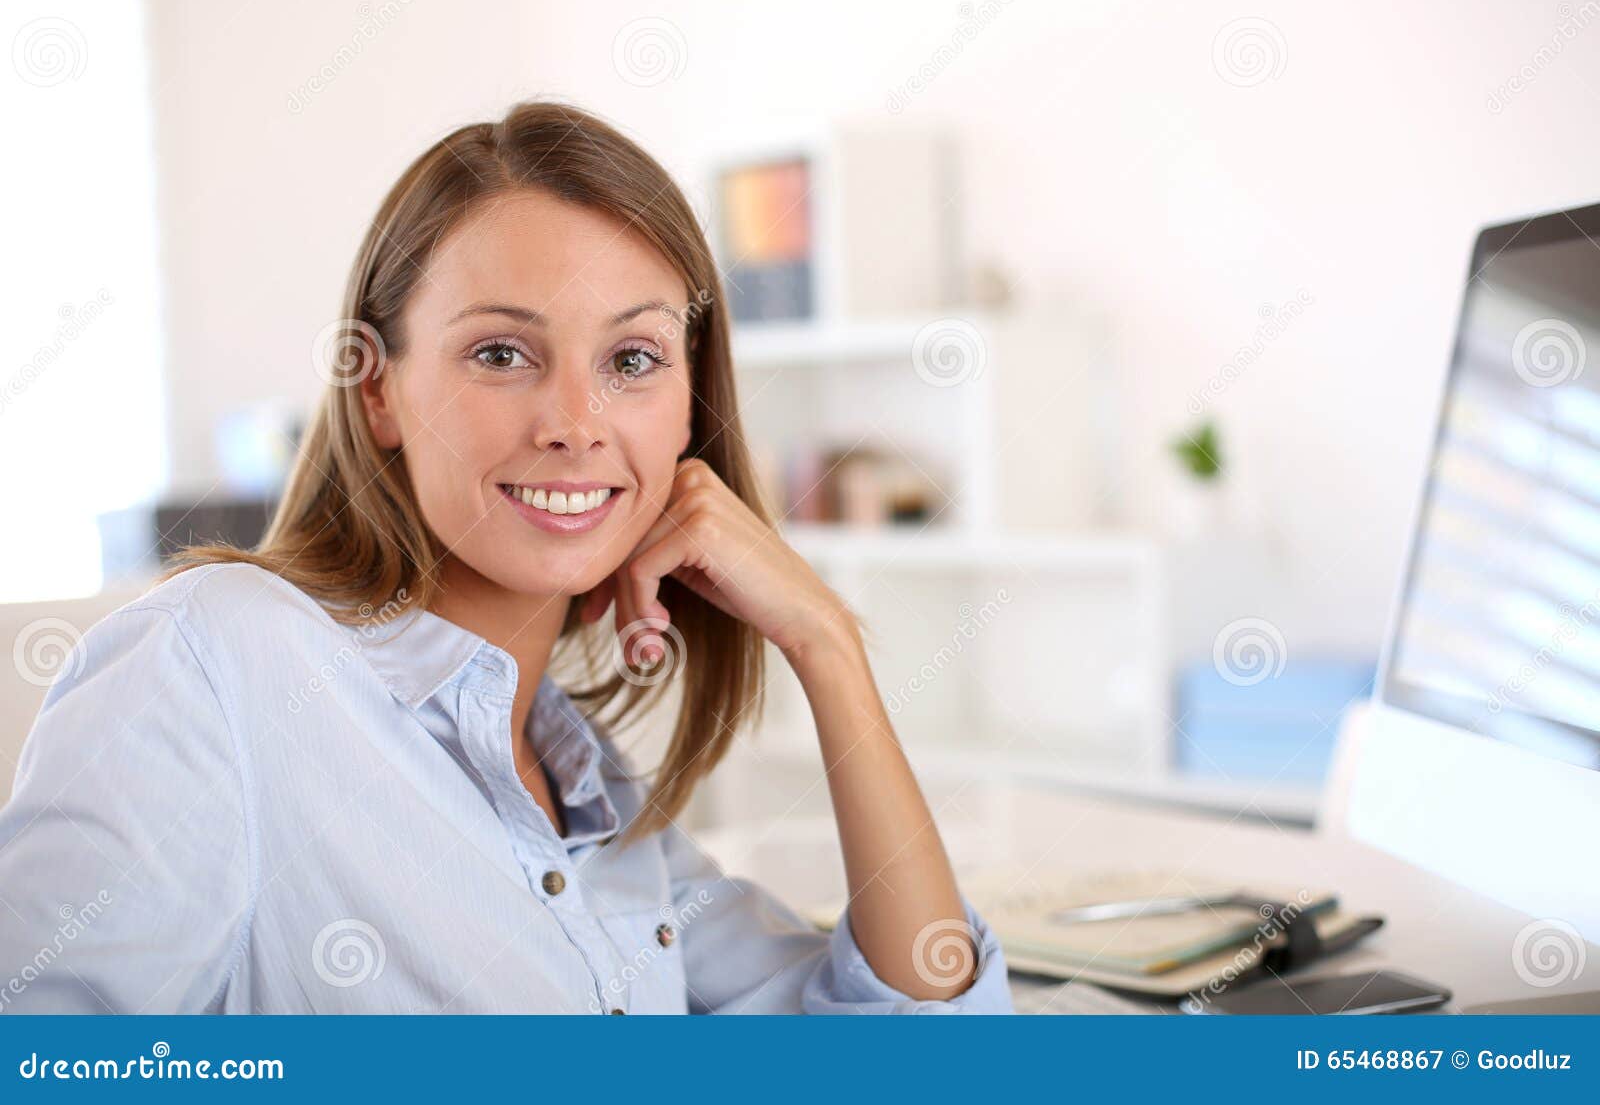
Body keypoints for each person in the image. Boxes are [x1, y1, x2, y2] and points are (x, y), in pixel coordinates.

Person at [0, 101, 1012, 1014]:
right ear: (377, 391)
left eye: (632, 359)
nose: (576, 423)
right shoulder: (213, 658)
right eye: (500, 353)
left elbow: (927, 1038)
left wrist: (825, 640)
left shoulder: (600, 809)